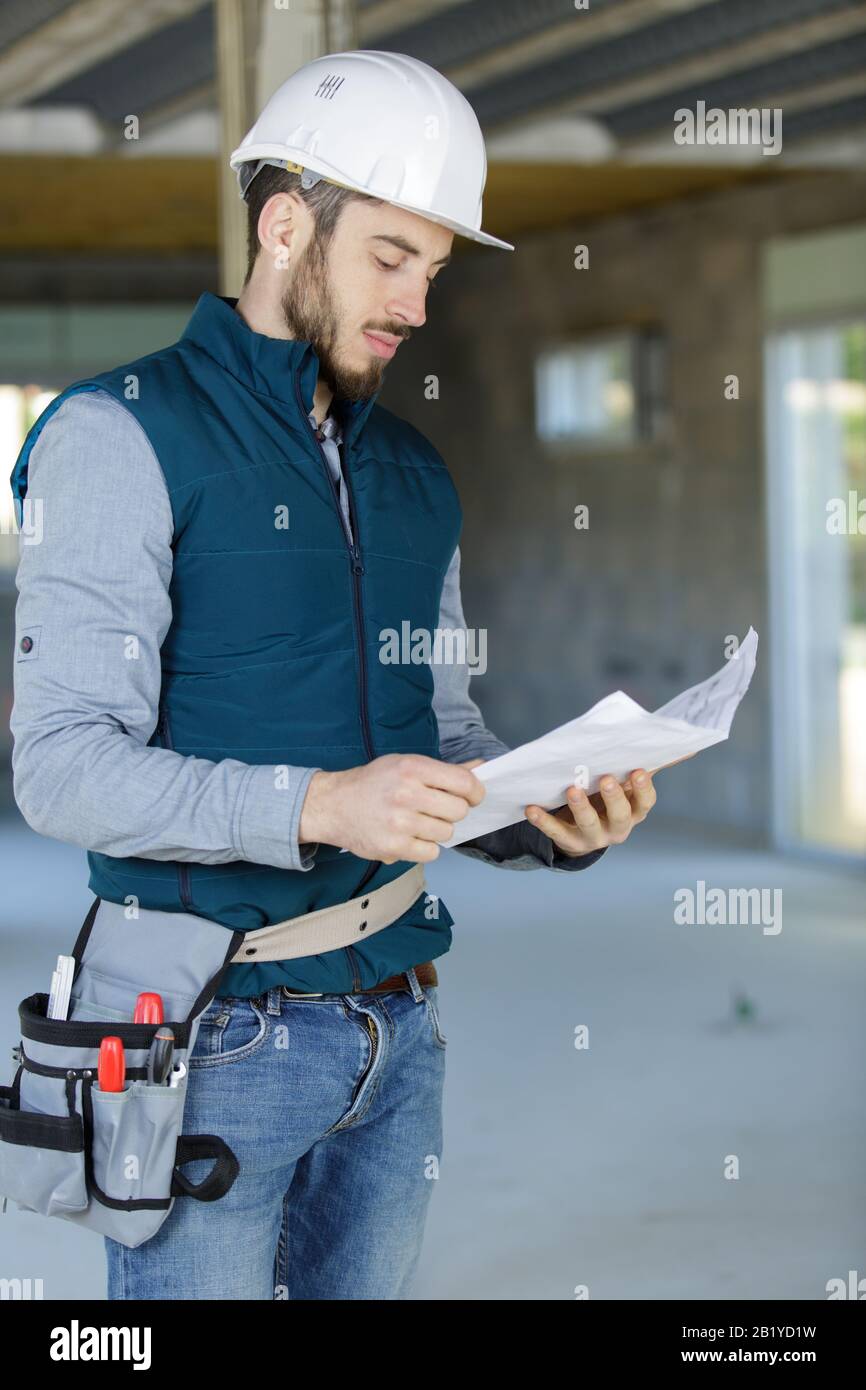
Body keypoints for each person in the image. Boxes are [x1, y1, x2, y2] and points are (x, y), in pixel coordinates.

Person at [9, 50, 657, 1300]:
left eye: (434, 267)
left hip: (399, 1028)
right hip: (207, 1036)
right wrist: (317, 804)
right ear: (286, 223)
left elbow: (445, 742)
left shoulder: (415, 472)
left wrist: (547, 819)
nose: (416, 302)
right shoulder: (119, 433)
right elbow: (61, 768)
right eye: (390, 257)